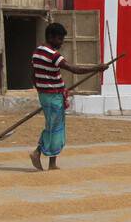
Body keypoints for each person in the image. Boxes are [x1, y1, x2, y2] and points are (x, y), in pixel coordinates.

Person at [29, 22, 105, 171]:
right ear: (50, 37)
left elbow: (32, 74)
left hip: (46, 96)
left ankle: (52, 163)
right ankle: (37, 153)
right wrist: (97, 68)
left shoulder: (37, 51)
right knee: (54, 129)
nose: (61, 43)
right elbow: (73, 69)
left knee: (55, 128)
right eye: (59, 39)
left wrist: (40, 89)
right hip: (53, 97)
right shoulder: (53, 55)